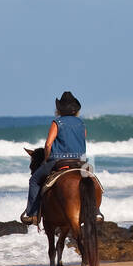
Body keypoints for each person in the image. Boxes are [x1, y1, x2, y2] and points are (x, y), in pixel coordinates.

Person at [22, 91, 87, 224]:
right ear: (76, 110)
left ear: (59, 109)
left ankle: (32, 214)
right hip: (81, 162)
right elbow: (82, 140)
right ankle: (96, 212)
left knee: (34, 181)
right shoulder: (81, 124)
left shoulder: (57, 122)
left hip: (58, 160)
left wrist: (46, 159)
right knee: (91, 181)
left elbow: (48, 144)